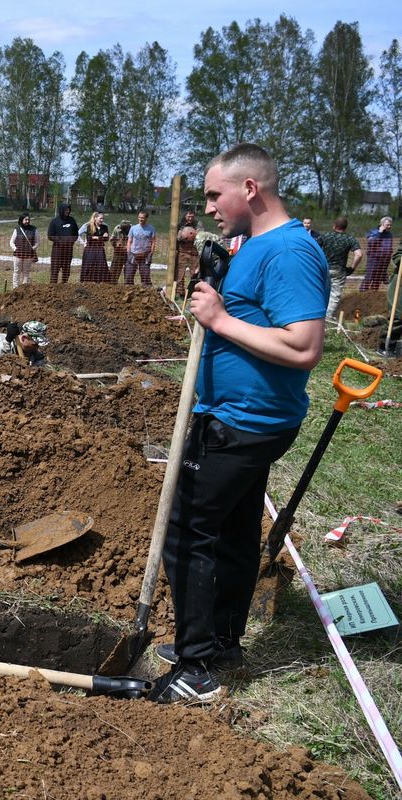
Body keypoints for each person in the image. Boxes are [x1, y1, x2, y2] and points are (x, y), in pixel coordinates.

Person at [152, 143, 327, 704]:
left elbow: (303, 347)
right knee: (230, 530)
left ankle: (196, 666)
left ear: (249, 189)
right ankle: (221, 642)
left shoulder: (291, 251)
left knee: (188, 531)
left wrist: (221, 320)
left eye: (213, 194)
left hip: (245, 423)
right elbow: (252, 319)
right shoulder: (254, 245)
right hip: (232, 416)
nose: (207, 207)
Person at [316, 217, 364, 321]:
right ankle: (327, 319)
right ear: (345, 227)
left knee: (319, 291)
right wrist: (352, 268)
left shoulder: (325, 236)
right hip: (339, 270)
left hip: (323, 269)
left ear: (334, 226)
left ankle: (315, 316)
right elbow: (359, 255)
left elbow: (314, 249)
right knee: (334, 295)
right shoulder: (350, 239)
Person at [47, 203, 78, 283]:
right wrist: (60, 240)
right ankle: (53, 287)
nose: (67, 211)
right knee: (55, 270)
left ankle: (64, 286)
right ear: (61, 210)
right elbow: (50, 235)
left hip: (68, 250)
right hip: (57, 251)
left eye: (68, 210)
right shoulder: (54, 221)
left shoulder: (72, 220)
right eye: (66, 210)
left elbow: (76, 234)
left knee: (66, 270)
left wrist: (70, 241)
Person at [124, 210, 156, 286]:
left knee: (145, 276)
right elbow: (129, 241)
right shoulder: (133, 228)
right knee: (129, 275)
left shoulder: (151, 229)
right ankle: (129, 289)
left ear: (146, 218)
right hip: (133, 254)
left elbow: (153, 242)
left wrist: (150, 254)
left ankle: (146, 291)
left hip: (145, 254)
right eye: (139, 217)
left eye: (142, 218)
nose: (140, 219)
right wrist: (128, 252)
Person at [362, 217, 393, 292]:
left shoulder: (389, 234)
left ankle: (374, 295)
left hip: (384, 261)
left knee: (377, 280)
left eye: (390, 225)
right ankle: (362, 294)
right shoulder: (373, 232)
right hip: (374, 260)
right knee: (369, 278)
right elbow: (371, 243)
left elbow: (389, 247)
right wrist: (379, 233)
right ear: (382, 224)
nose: (389, 227)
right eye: (387, 225)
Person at [9, 213, 39, 287]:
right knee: (16, 272)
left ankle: (25, 289)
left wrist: (33, 248)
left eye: (28, 219)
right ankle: (15, 288)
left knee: (26, 272)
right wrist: (15, 249)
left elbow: (37, 242)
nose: (27, 221)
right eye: (25, 219)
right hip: (18, 255)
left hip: (29, 255)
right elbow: (11, 242)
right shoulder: (17, 230)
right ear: (21, 220)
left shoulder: (34, 229)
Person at [79, 211, 109, 283]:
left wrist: (96, 237)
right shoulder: (88, 226)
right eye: (100, 218)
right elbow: (88, 238)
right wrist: (83, 243)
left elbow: (106, 238)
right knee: (89, 266)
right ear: (95, 218)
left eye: (103, 218)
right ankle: (86, 282)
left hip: (100, 249)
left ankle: (99, 282)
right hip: (90, 249)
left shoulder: (105, 227)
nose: (102, 220)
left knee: (101, 265)